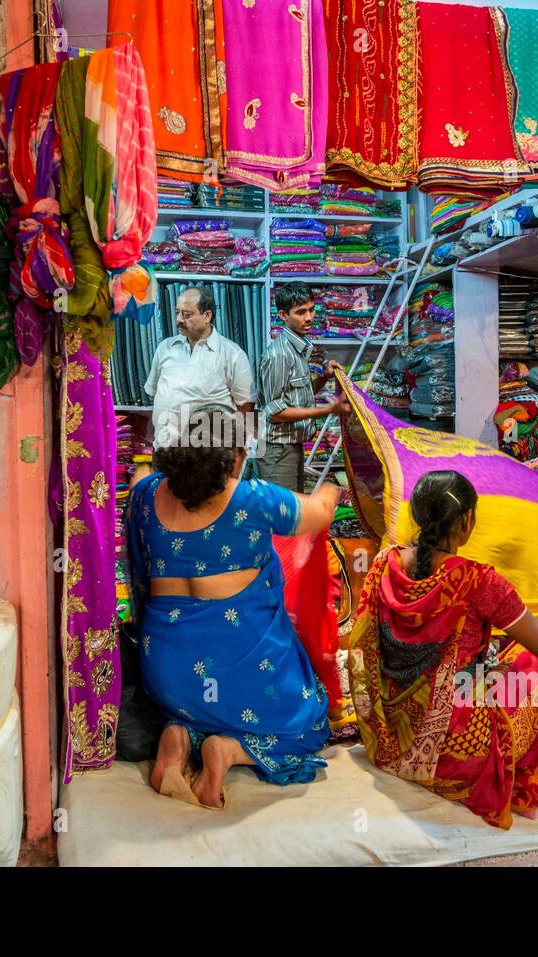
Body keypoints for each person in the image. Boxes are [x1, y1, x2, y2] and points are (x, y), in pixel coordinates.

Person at [348, 469, 538, 829]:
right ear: (467, 521)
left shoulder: (384, 562)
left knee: (497, 657)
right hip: (458, 750)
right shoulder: (479, 581)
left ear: (416, 514)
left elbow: (366, 646)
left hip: (390, 740)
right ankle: (535, 783)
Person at [125, 405, 342, 808]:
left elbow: (138, 477)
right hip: (241, 671)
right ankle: (228, 750)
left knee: (188, 707)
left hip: (169, 675)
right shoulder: (252, 499)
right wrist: (331, 489)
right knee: (308, 724)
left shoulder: (146, 495)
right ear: (235, 458)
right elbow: (321, 513)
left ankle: (179, 737)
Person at [257, 283, 348, 490]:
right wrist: (326, 410)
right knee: (282, 517)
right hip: (276, 450)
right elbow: (275, 411)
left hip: (290, 445)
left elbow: (296, 396)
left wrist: (324, 377)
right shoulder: (278, 355)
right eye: (300, 312)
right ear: (283, 315)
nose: (308, 317)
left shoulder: (298, 349)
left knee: (294, 511)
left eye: (311, 309)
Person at [145, 286, 254, 448]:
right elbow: (153, 392)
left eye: (187, 314)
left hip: (208, 456)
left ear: (207, 316)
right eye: (177, 313)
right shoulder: (165, 348)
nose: (179, 319)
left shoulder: (232, 354)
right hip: (165, 450)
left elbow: (245, 406)